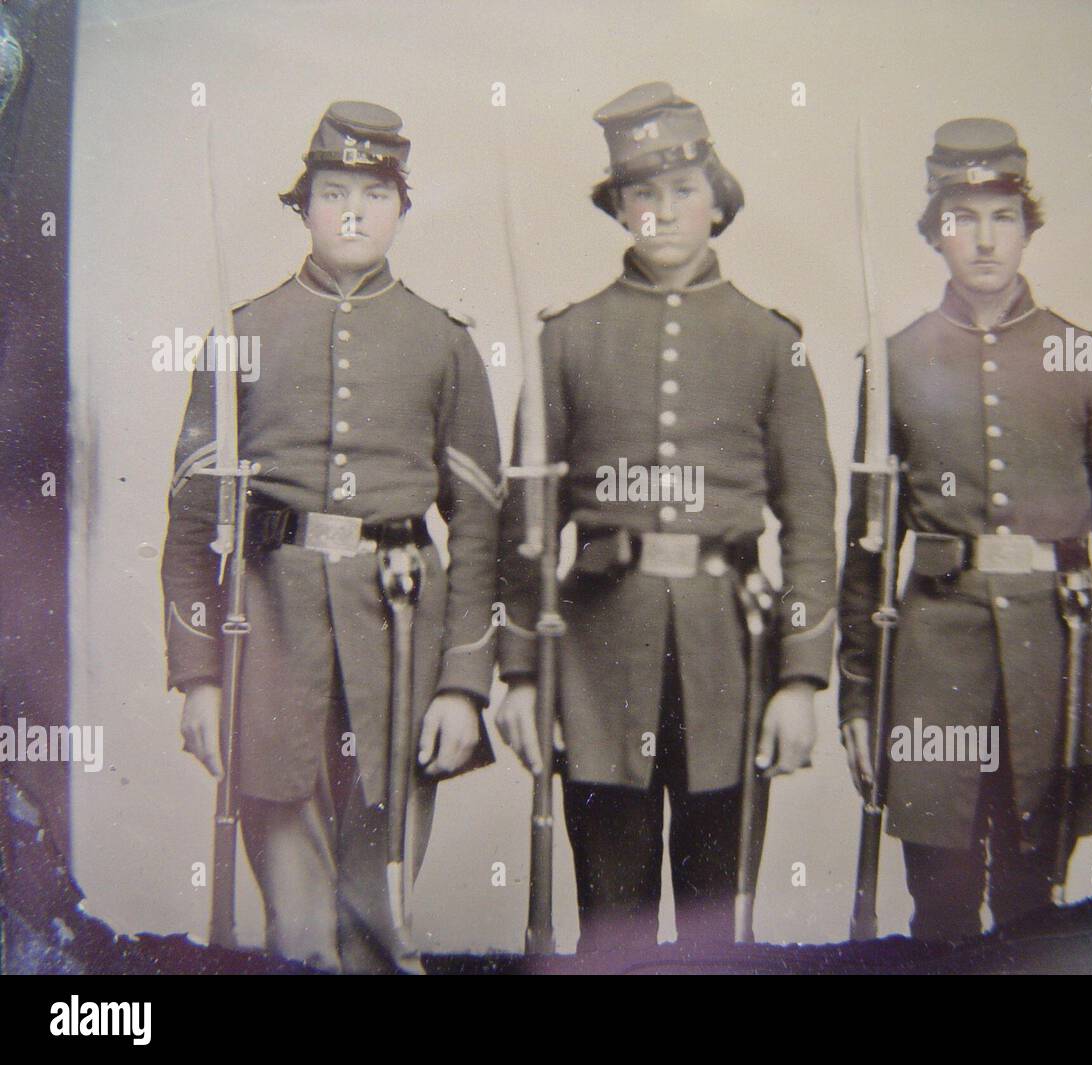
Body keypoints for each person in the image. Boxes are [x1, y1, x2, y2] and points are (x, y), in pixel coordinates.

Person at [494, 82, 837, 952]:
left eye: (683, 189)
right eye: (641, 192)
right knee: (613, 927)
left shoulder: (773, 340)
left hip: (731, 653)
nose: (663, 210)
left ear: (719, 199)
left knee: (718, 926)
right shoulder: (566, 339)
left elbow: (810, 519)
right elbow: (521, 525)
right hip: (597, 655)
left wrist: (800, 675)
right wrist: (524, 676)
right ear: (618, 208)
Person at [162, 101, 501, 972]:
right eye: (333, 191)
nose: (352, 212)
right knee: (299, 935)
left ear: (401, 208)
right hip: (266, 645)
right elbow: (191, 524)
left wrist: (464, 685)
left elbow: (481, 530)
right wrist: (199, 678)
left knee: (382, 921)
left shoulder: (444, 342)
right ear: (303, 206)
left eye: (375, 193)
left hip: (403, 649)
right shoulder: (242, 335)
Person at [838, 118, 1092, 942]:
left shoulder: (1082, 358)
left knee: (1033, 905)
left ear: (1027, 226)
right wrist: (862, 700)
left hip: (1054, 659)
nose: (982, 239)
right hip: (932, 662)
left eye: (1002, 216)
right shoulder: (896, 362)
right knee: (940, 906)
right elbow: (867, 550)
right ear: (935, 232)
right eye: (961, 218)